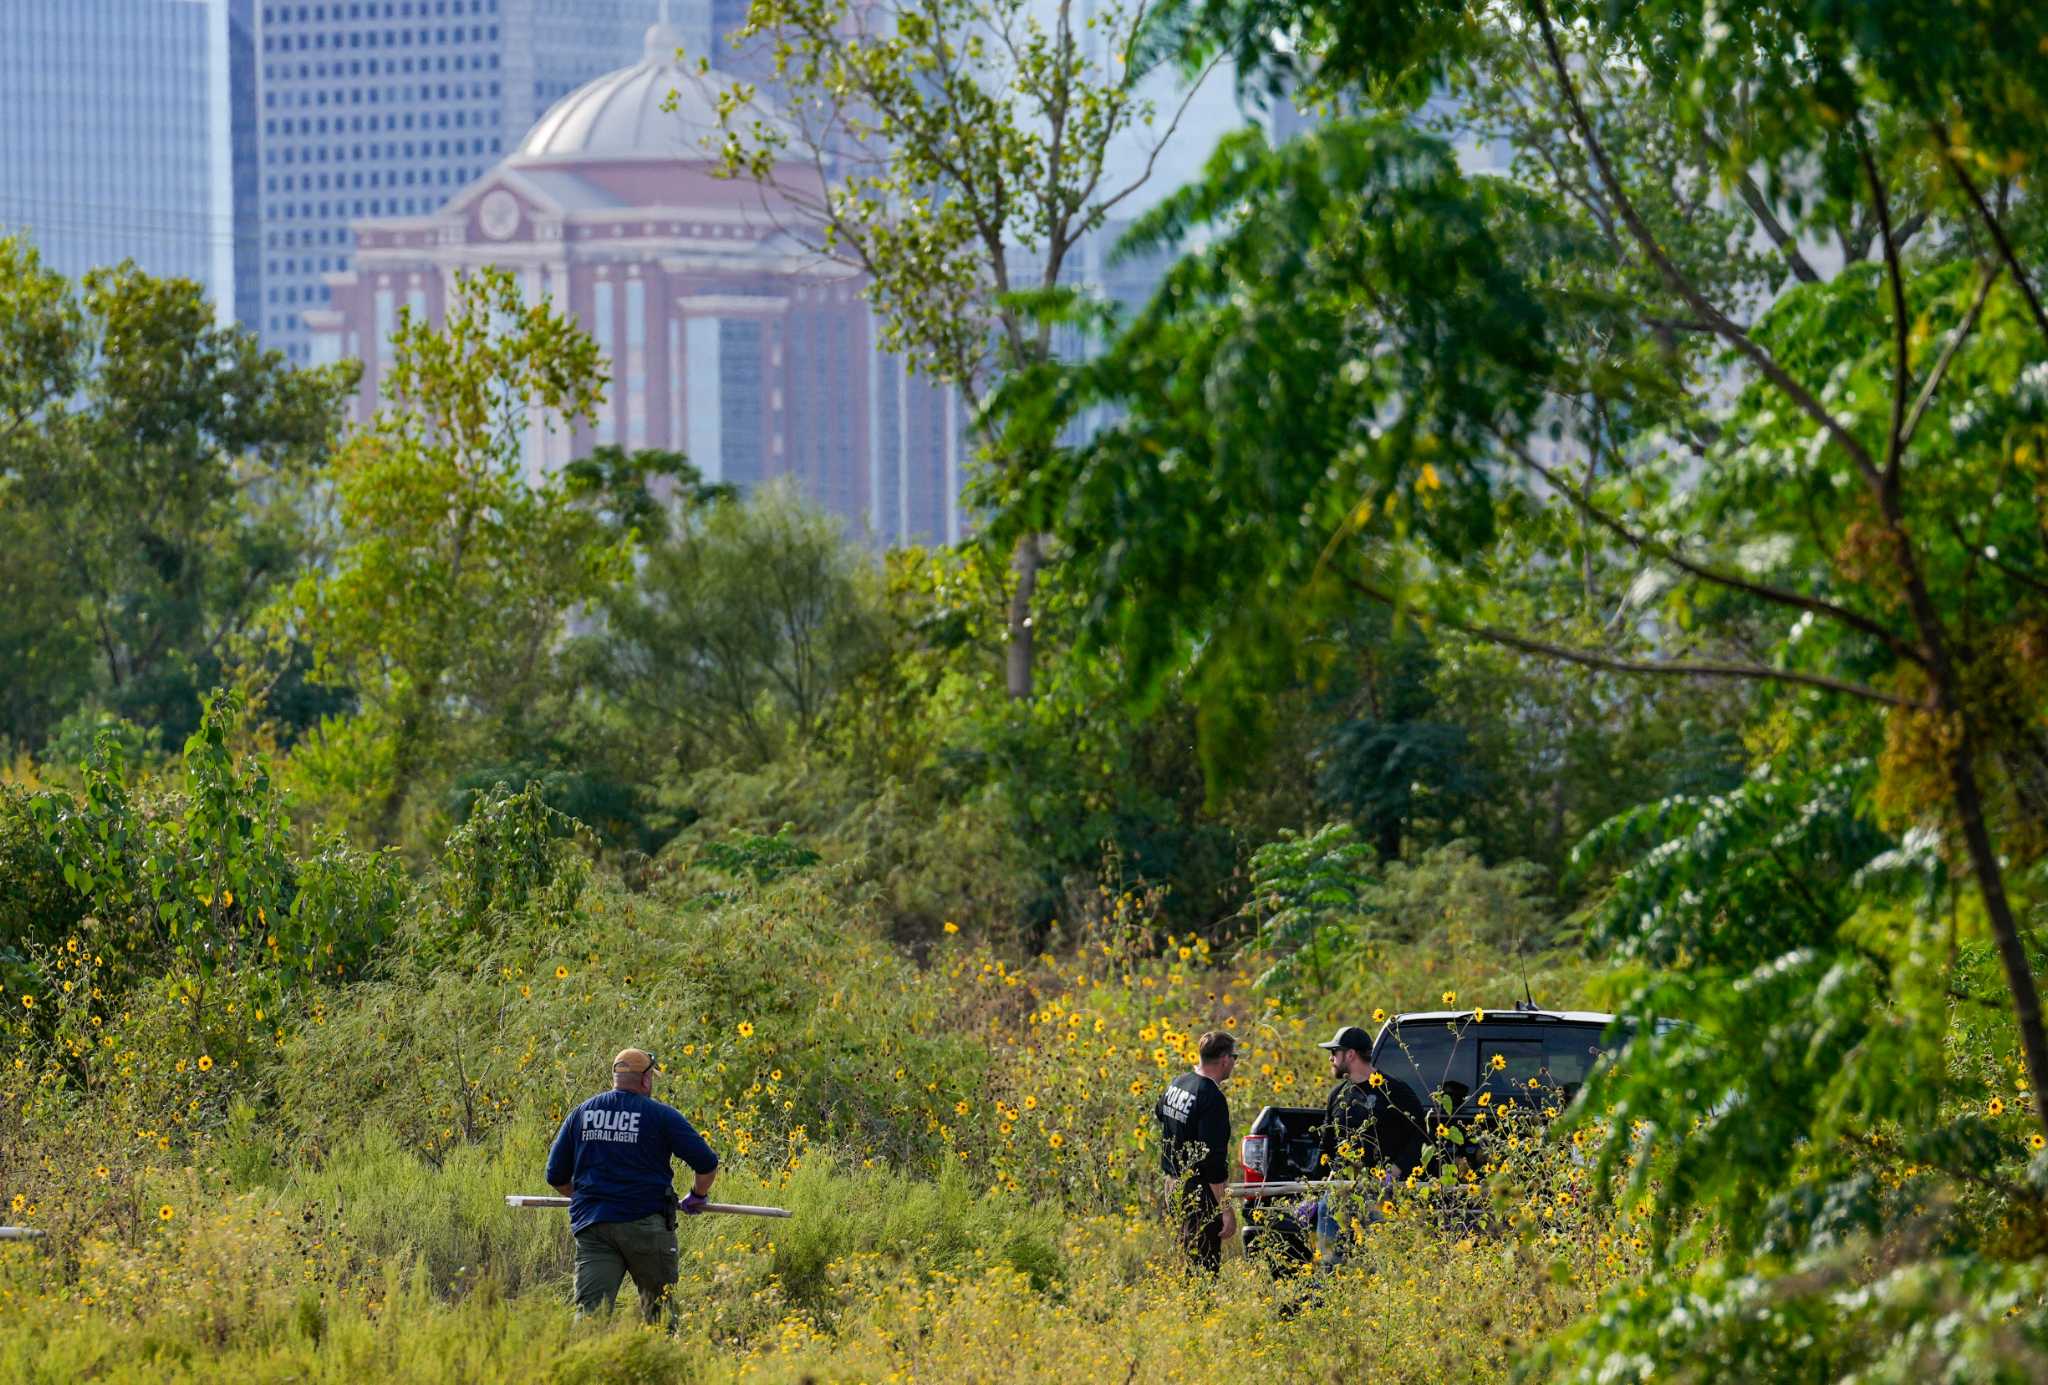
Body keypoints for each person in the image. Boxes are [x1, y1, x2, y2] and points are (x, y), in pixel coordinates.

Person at [545, 1047, 719, 1327]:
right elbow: (707, 1163)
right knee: (660, 1317)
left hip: (594, 1228)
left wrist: (586, 1198)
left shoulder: (582, 1113)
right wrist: (697, 1195)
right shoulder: (660, 1116)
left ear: (614, 1077)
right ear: (646, 1079)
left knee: (591, 1317)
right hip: (646, 1228)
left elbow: (555, 1175)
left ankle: (582, 1366)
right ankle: (661, 1366)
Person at [1306, 1024, 1428, 1268]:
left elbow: (1421, 1138)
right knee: (1329, 1261)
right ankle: (1329, 1299)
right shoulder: (1337, 1095)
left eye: (1334, 1052)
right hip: (1339, 1190)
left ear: (1350, 1055)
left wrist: (1396, 1169)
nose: (1331, 1058)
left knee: (1377, 1262)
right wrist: (1312, 1187)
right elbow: (1327, 1145)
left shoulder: (1394, 1091)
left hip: (1380, 1192)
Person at [1154, 1029, 1241, 1273]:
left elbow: (1160, 1113)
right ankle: (1200, 1309)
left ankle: (1187, 1307)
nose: (1234, 1064)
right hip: (1198, 1194)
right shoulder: (1211, 1097)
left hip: (1172, 1185)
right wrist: (1225, 1209)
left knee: (1185, 1256)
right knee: (1202, 1267)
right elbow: (1212, 1163)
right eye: (1235, 1058)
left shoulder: (1177, 1083)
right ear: (1225, 1059)